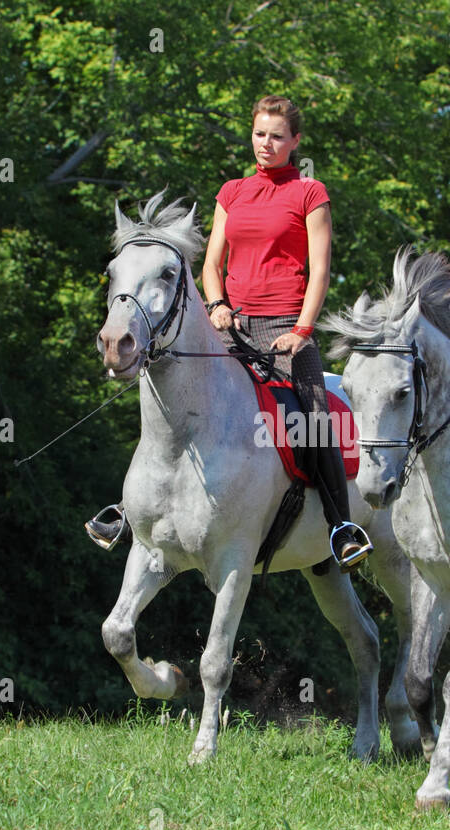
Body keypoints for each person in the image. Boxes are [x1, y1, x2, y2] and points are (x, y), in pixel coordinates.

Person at [88, 95, 371, 571]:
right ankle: (130, 507)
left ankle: (341, 526)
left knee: (315, 416)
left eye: (277, 136)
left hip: (286, 327)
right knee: (169, 396)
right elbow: (212, 263)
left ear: (295, 142)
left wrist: (303, 329)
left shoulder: (310, 193)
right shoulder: (232, 192)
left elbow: (320, 271)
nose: (267, 143)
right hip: (230, 324)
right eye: (260, 133)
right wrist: (217, 306)